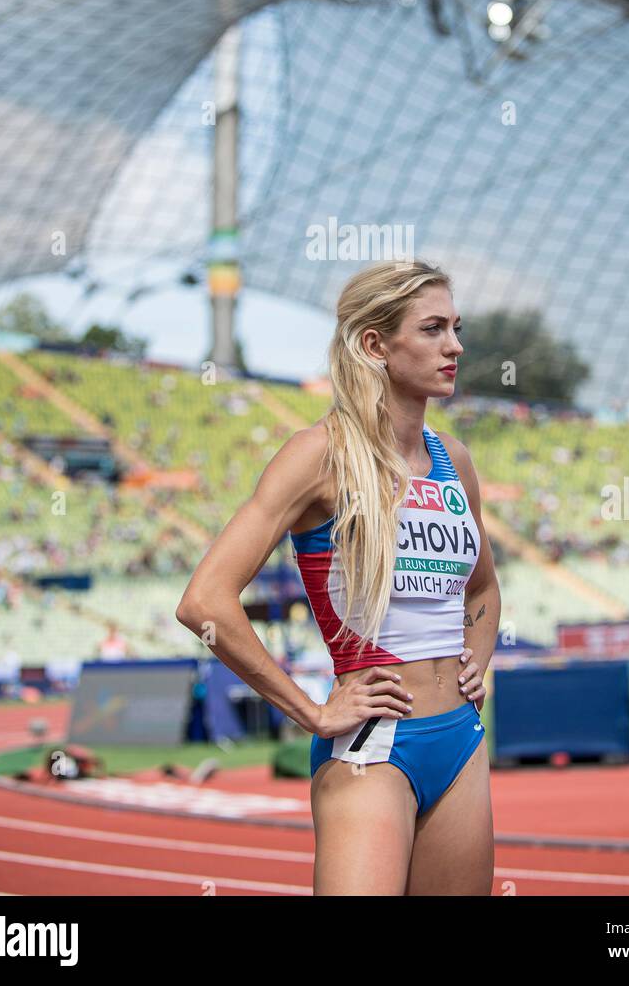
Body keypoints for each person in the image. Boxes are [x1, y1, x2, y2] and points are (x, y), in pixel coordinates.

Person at [176, 259, 500, 895]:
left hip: (461, 740)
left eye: (455, 328)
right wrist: (310, 711)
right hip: (373, 749)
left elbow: (483, 588)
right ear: (376, 345)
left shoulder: (452, 459)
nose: (455, 346)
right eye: (433, 329)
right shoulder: (317, 454)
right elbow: (204, 602)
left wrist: (478, 659)